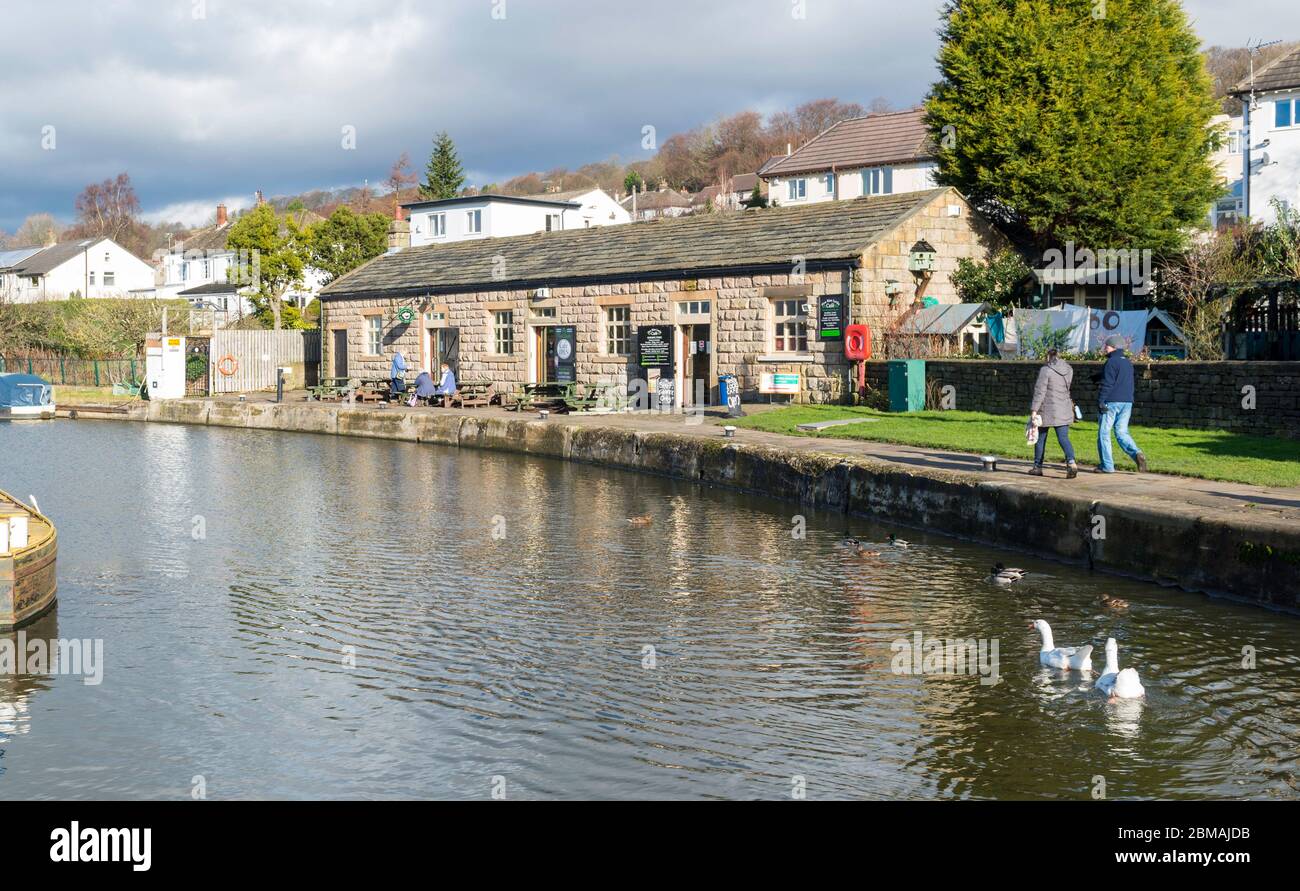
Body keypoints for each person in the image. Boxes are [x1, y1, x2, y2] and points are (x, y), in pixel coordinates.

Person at [1096, 335, 1148, 474]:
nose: (1104, 348)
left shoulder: (1111, 362)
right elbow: (1120, 379)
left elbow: (1108, 384)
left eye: (1106, 346)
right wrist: (1099, 376)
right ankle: (1136, 452)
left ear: (1113, 347)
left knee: (1104, 434)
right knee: (1121, 432)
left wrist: (1101, 401)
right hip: (1127, 402)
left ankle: (1107, 466)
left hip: (1111, 402)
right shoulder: (1128, 363)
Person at [1028, 348, 1078, 478]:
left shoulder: (1046, 370)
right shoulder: (1069, 369)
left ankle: (1037, 467)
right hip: (1064, 408)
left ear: (1048, 357)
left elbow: (1040, 392)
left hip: (1046, 409)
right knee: (1063, 438)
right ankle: (1071, 462)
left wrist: (1034, 410)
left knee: (1040, 439)